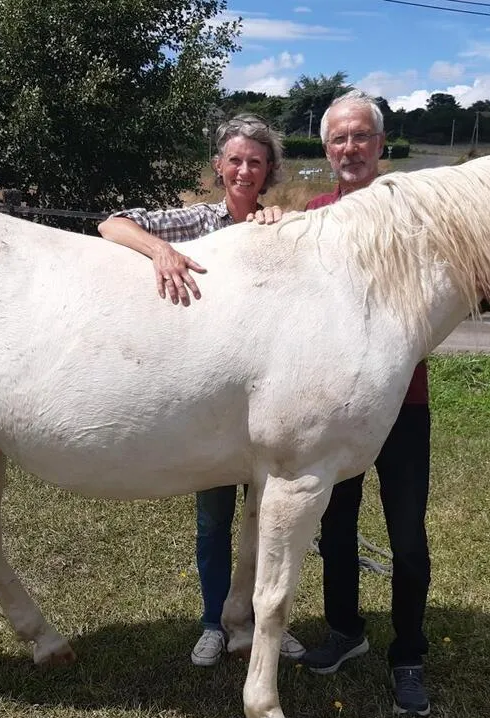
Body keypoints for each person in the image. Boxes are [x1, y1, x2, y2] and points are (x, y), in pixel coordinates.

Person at [97, 114, 304, 667]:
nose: (243, 170)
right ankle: (215, 621)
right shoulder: (197, 221)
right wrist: (159, 250)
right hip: (215, 405)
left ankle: (264, 625)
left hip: (273, 399)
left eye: (255, 163)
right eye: (234, 160)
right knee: (214, 522)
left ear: (269, 172)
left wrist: (282, 224)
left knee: (272, 522)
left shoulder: (279, 226)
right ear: (219, 167)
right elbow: (112, 224)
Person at [299, 90, 433, 717]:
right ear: (327, 151)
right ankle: (345, 632)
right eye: (338, 139)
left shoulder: (416, 214)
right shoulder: (315, 215)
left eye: (361, 137)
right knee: (335, 527)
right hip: (335, 407)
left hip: (402, 405)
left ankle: (408, 655)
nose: (350, 148)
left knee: (406, 536)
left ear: (382, 144)